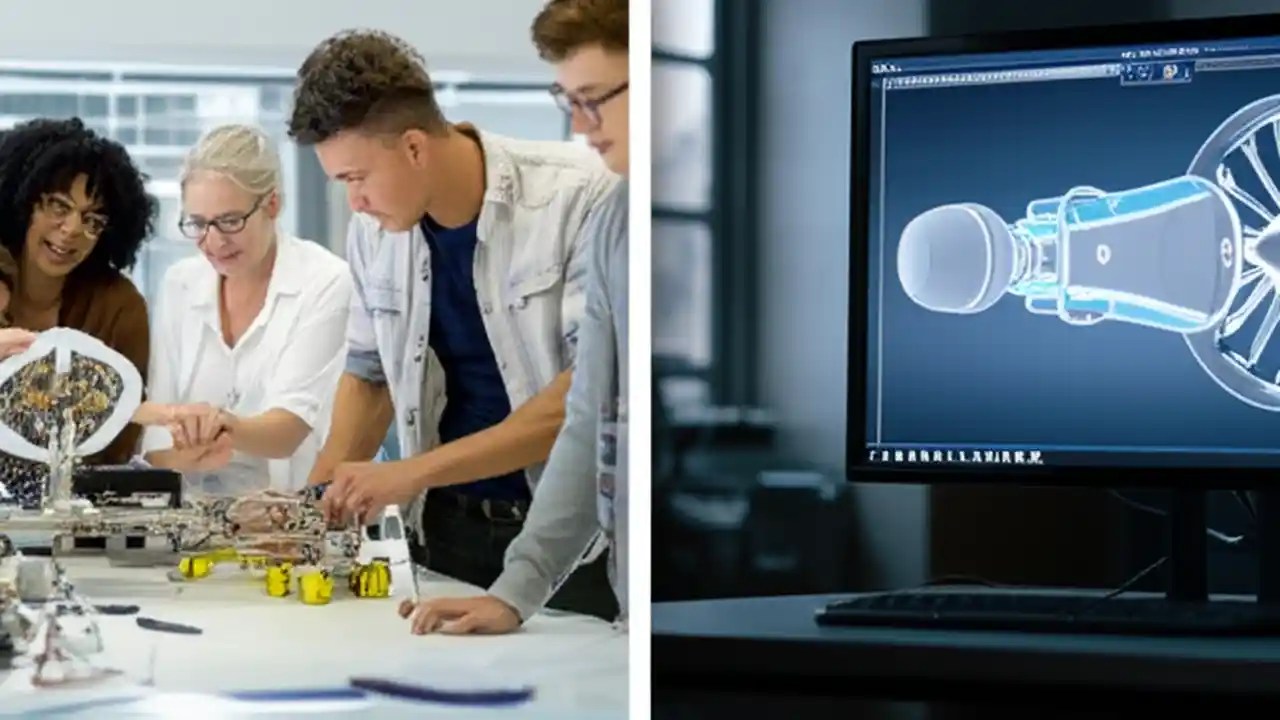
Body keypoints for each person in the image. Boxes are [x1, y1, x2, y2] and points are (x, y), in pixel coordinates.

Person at [289, 28, 621, 620]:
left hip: (570, 546)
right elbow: (368, 378)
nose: (354, 202)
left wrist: (410, 473)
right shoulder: (372, 234)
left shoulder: (580, 196)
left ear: (414, 147)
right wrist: (313, 509)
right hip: (444, 533)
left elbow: (583, 399)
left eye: (357, 178)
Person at [400, 0, 631, 635]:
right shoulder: (618, 223)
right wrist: (515, 593)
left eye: (594, 99)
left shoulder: (592, 203)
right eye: (568, 101)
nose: (581, 124)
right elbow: (590, 422)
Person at [139, 124, 353, 497]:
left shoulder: (326, 282)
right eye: (198, 223)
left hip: (287, 512)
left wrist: (218, 426)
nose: (214, 241)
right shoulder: (178, 284)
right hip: (190, 515)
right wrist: (184, 455)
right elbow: (157, 437)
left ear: (273, 205)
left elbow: (289, 429)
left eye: (230, 221)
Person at [0, 117, 156, 506]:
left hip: (76, 515)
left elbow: (119, 442)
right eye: (58, 205)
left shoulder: (118, 306)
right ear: (22, 200)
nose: (71, 229)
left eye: (92, 220)